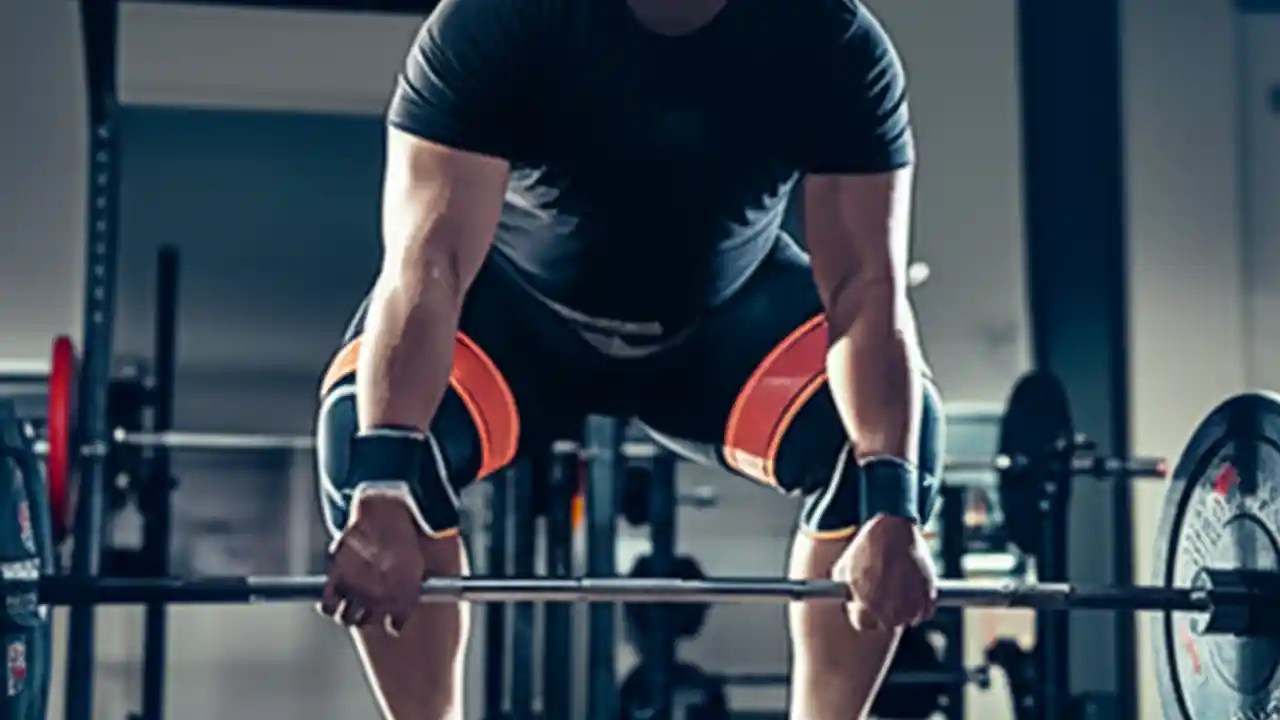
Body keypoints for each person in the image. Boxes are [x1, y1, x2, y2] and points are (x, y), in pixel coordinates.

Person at [314, 0, 944, 716]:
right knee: (362, 436)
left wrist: (892, 511)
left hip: (720, 341)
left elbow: (865, 287)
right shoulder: (495, 21)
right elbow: (428, 263)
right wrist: (383, 491)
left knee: (891, 452)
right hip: (520, 333)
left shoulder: (831, 39)